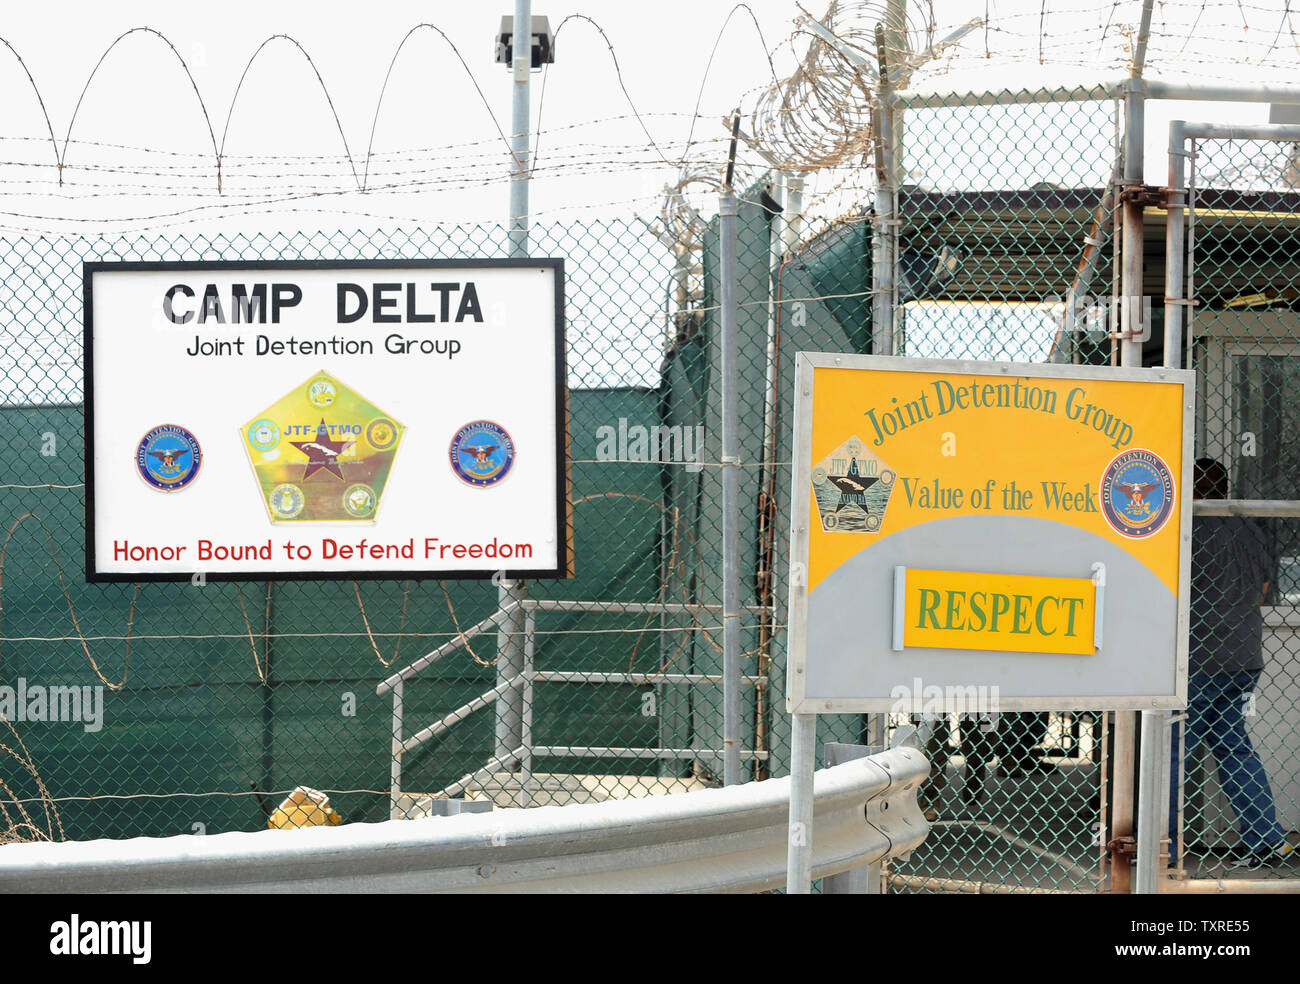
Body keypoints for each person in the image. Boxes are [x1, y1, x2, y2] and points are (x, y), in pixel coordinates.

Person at [1169, 458, 1294, 868]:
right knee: (1233, 747)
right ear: (1222, 489)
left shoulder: (1186, 530)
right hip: (1243, 655)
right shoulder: (1249, 528)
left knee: (1173, 753)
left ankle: (1160, 844)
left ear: (1189, 487)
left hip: (1196, 656)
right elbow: (1261, 590)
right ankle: (1266, 838)